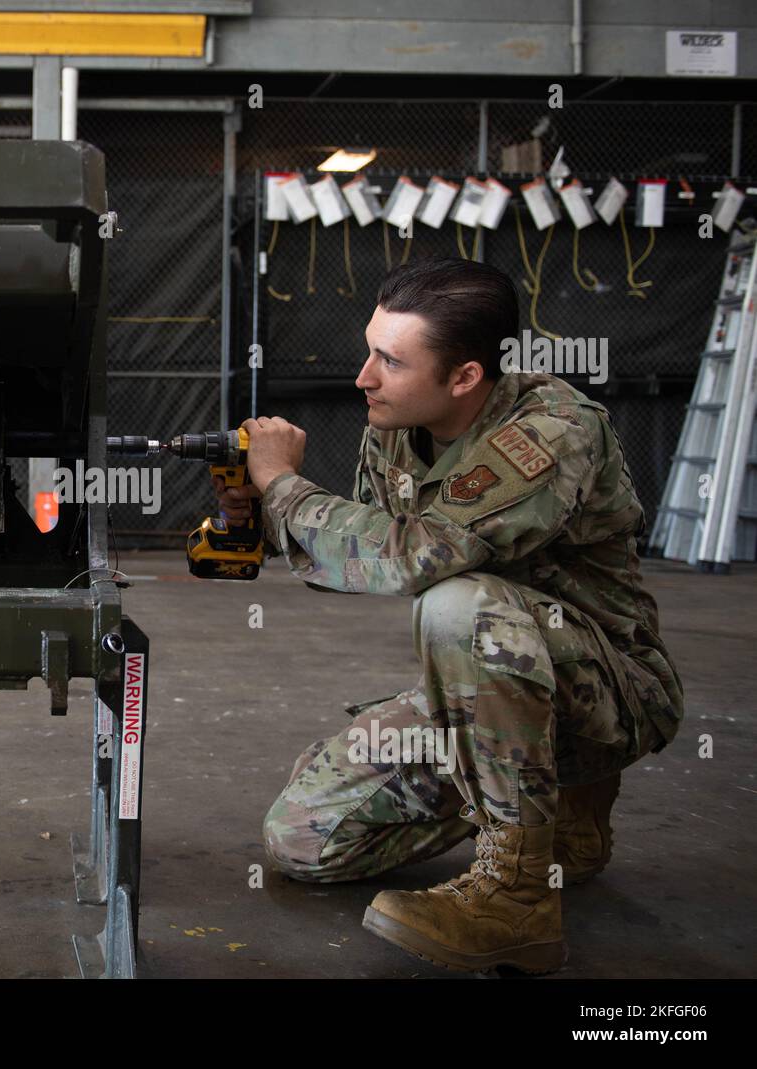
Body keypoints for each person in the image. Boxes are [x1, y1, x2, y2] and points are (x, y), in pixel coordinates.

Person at [213, 257, 683, 974]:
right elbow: (363, 557)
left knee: (459, 602)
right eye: (369, 348)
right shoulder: (396, 429)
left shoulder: (553, 432)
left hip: (610, 688)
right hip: (496, 692)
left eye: (391, 360)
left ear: (464, 376)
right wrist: (260, 513)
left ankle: (515, 896)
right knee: (302, 837)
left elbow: (415, 558)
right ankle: (561, 822)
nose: (363, 377)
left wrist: (284, 485)